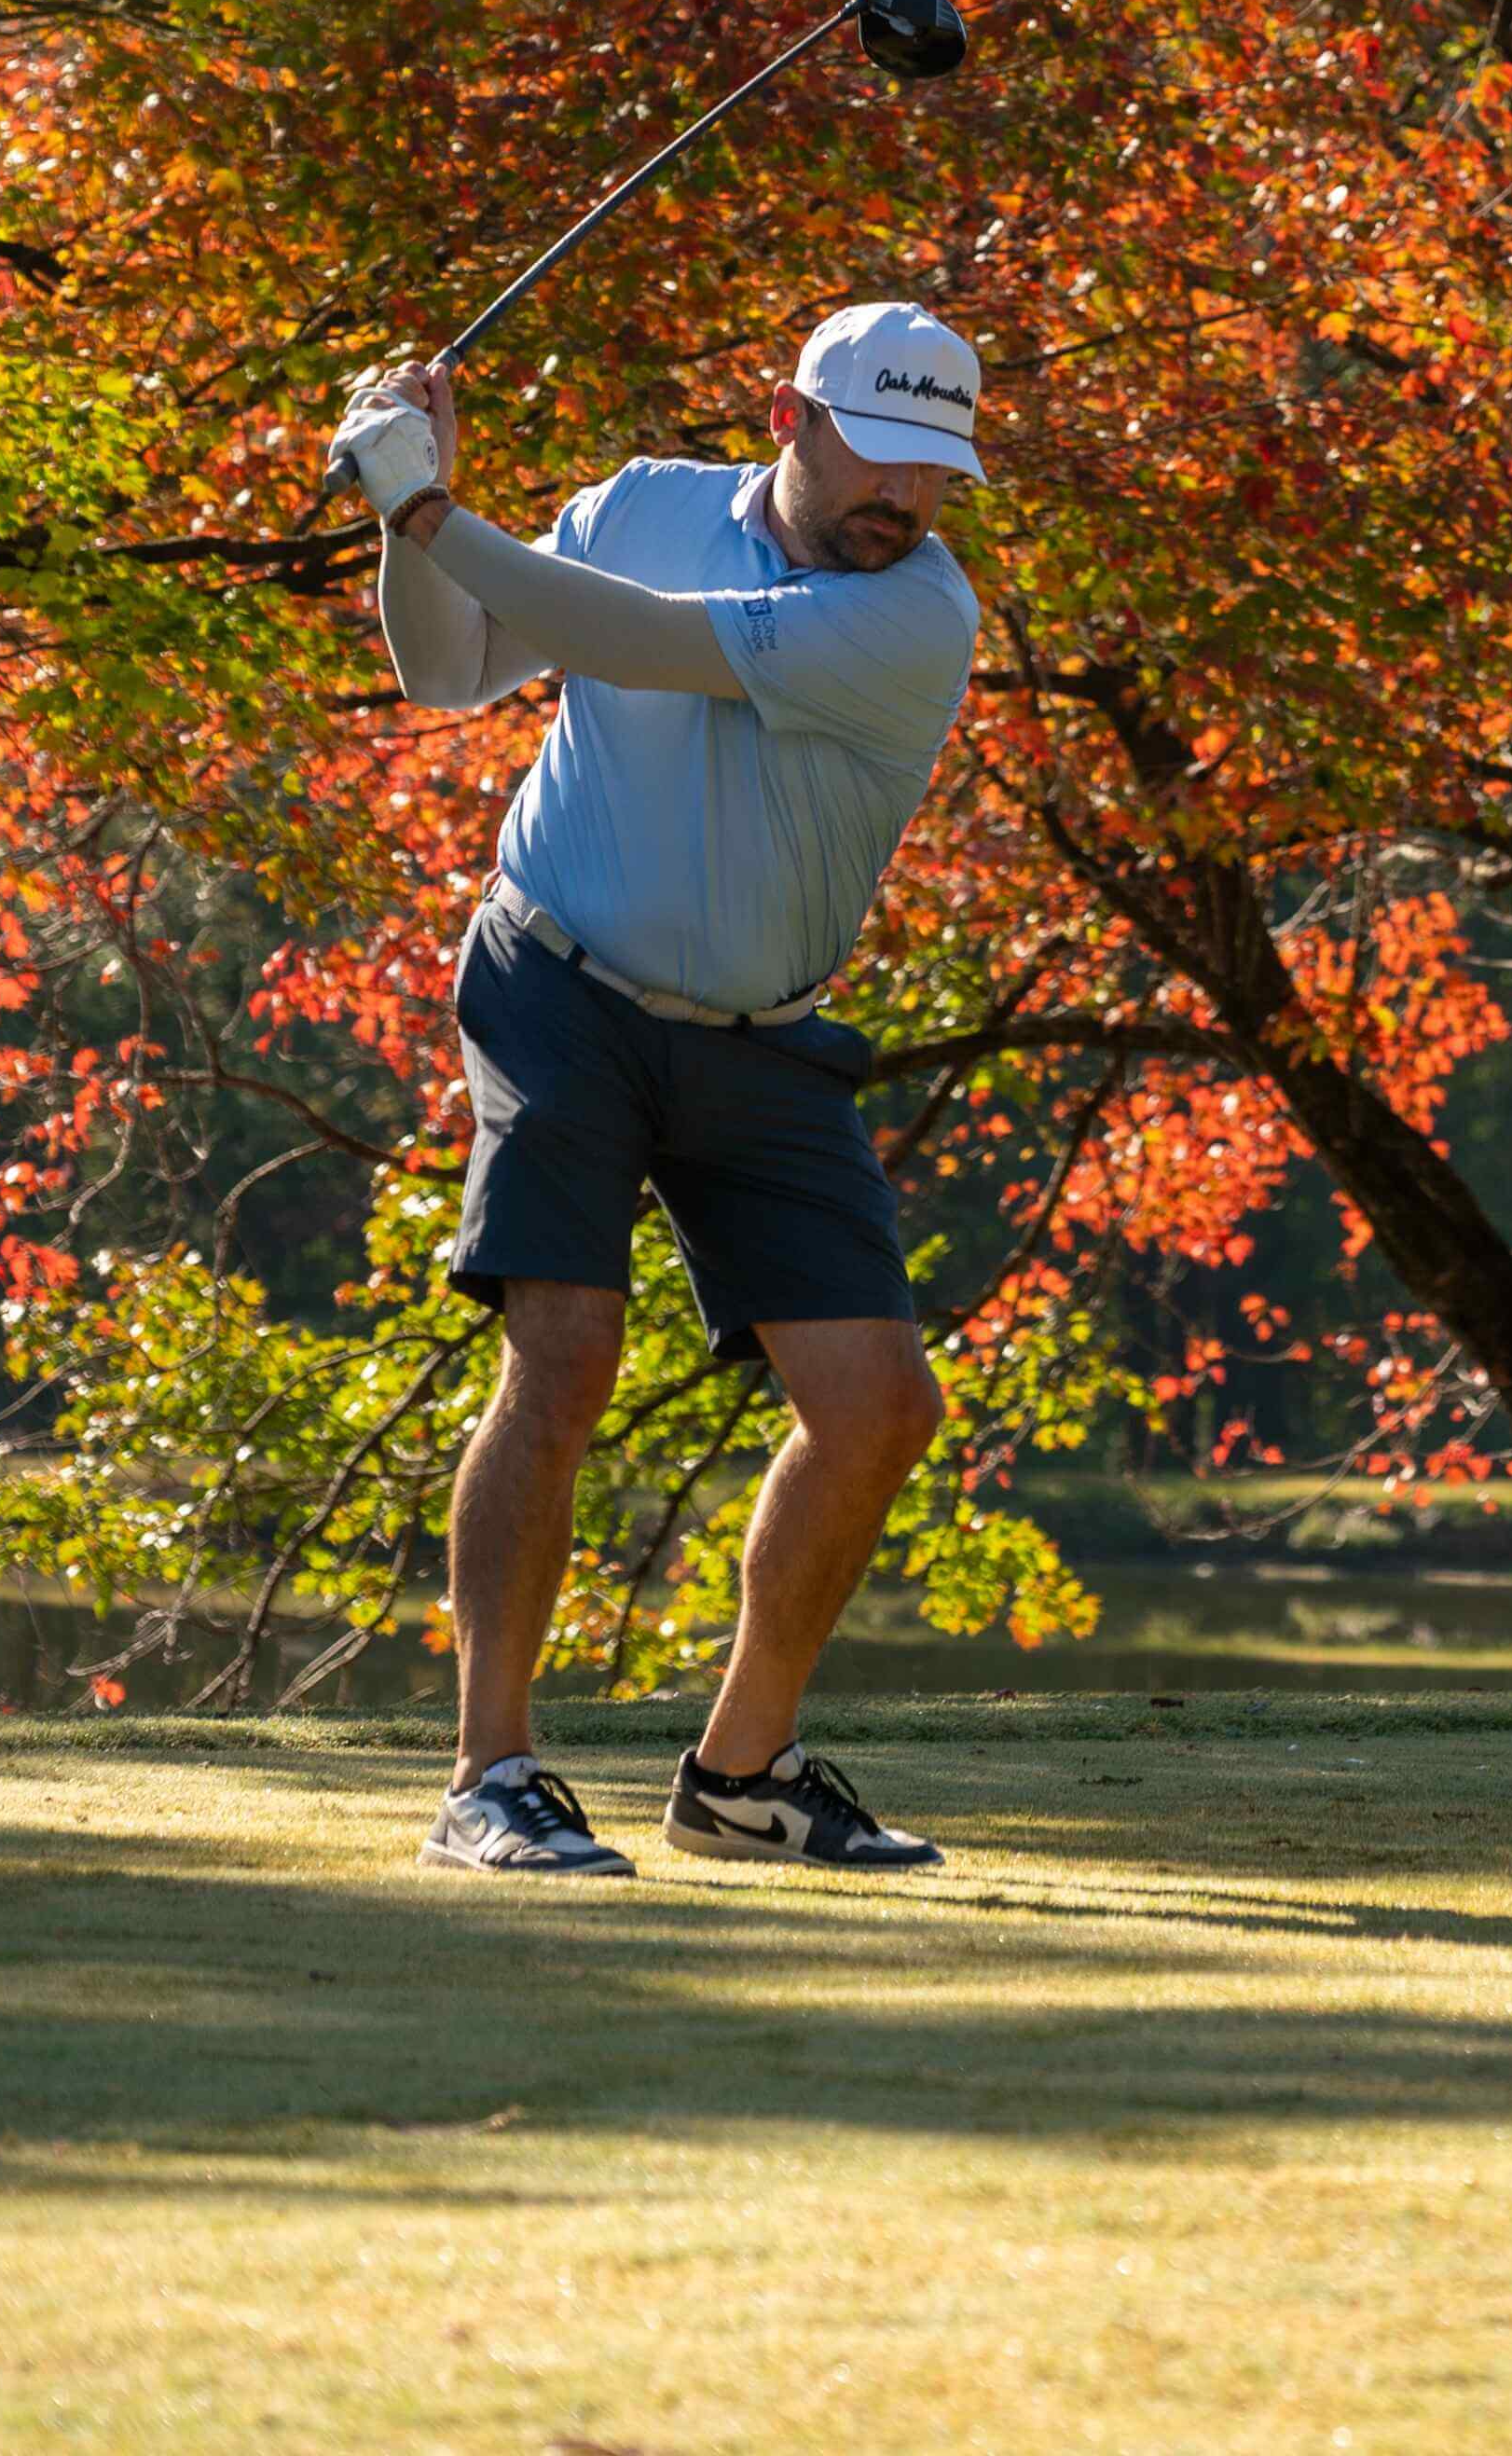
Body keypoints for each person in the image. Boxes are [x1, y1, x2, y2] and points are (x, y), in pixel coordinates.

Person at [330, 299, 991, 1883]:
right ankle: (491, 1777)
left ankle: (740, 1778)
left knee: (881, 1410)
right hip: (558, 981)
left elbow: (645, 645)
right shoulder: (640, 506)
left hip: (766, 1034)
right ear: (792, 418)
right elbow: (448, 671)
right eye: (882, 462)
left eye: (939, 474)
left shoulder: (920, 618)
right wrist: (402, 526)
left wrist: (426, 500)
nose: (907, 502)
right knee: (564, 1354)